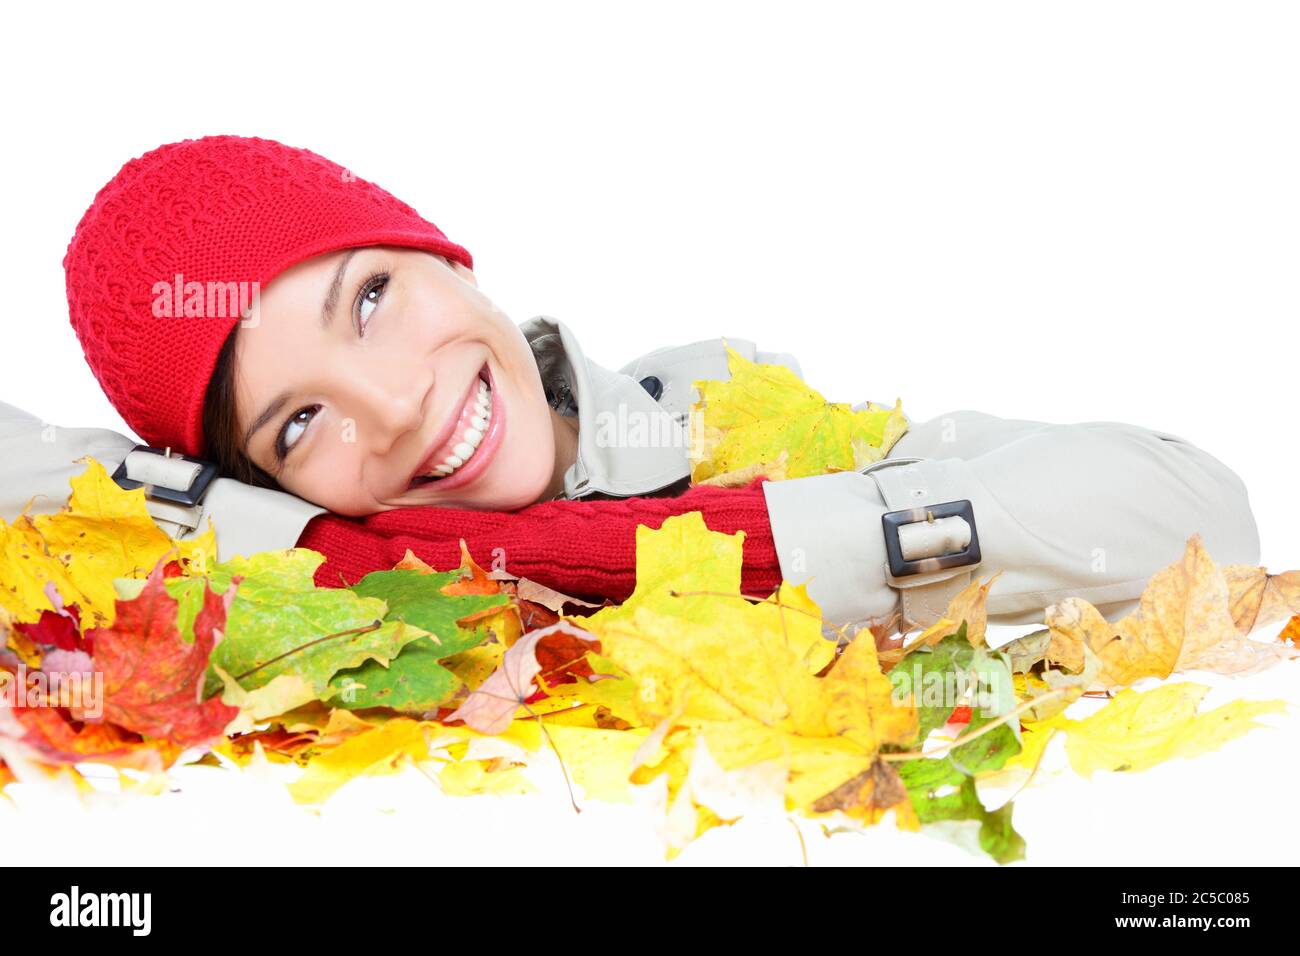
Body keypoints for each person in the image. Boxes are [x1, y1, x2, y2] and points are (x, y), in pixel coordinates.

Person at [0, 135, 1262, 636]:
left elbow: (1198, 512)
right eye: (302, 419)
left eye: (372, 299)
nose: (395, 408)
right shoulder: (295, 574)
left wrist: (674, 547)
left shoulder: (718, 410)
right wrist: (320, 545)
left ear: (444, 251)